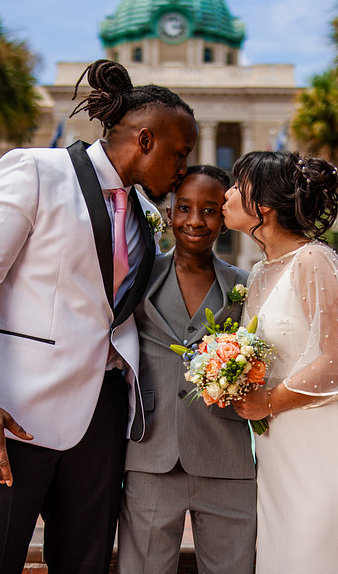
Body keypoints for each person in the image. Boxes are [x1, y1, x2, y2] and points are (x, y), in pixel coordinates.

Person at [0, 59, 198, 574]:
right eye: (180, 152)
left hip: (102, 418)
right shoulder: (35, 171)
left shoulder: (144, 213)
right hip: (16, 416)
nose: (185, 169)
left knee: (84, 565)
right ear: (145, 140)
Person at [224, 150, 338, 574]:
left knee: (317, 558)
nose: (224, 195)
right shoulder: (261, 272)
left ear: (262, 206)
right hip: (278, 446)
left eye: (235, 187)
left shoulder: (314, 260)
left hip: (320, 441)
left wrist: (267, 403)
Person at [118, 165, 255, 574]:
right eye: (184, 208)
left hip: (225, 456)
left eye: (210, 210)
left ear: (224, 219)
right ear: (170, 212)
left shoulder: (244, 287)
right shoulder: (138, 277)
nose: (195, 221)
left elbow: (281, 346)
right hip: (150, 455)